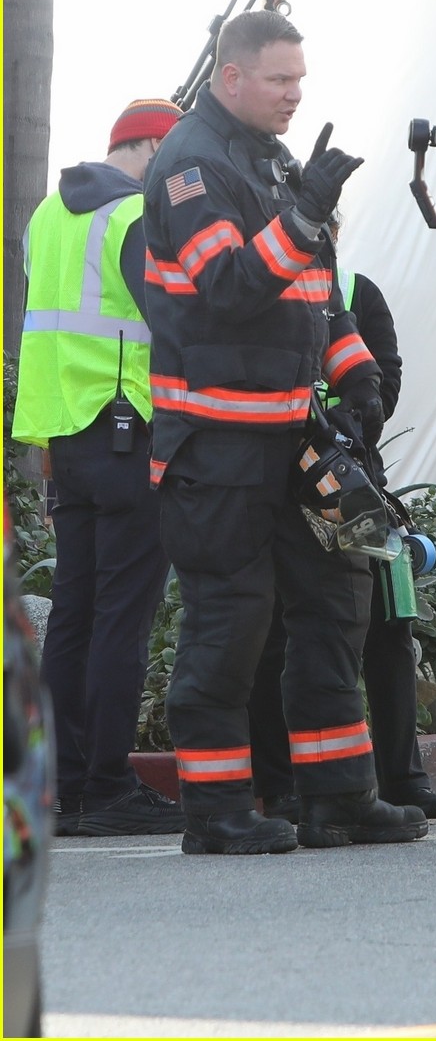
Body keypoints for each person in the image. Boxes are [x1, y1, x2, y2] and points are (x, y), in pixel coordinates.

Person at [142, 8, 428, 855]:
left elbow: (315, 293)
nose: (295, 95)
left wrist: (356, 369)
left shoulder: (269, 159)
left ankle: (338, 798)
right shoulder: (189, 165)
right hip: (218, 447)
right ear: (231, 77)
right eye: (280, 79)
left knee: (337, 609)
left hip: (293, 442)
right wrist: (303, 212)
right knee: (229, 627)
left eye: (301, 80)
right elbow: (230, 286)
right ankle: (218, 811)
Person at [12, 98, 186, 837]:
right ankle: (108, 784)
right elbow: (169, 320)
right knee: (123, 615)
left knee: (76, 616)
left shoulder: (46, 217)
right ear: (147, 149)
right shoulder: (133, 218)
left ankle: (63, 785)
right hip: (127, 431)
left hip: (64, 440)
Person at [249, 251, 436, 821]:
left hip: (348, 476)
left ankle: (402, 776)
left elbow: (381, 382)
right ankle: (283, 783)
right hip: (280, 478)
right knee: (274, 634)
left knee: (390, 622)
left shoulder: (357, 289)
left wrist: (346, 415)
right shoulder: (260, 280)